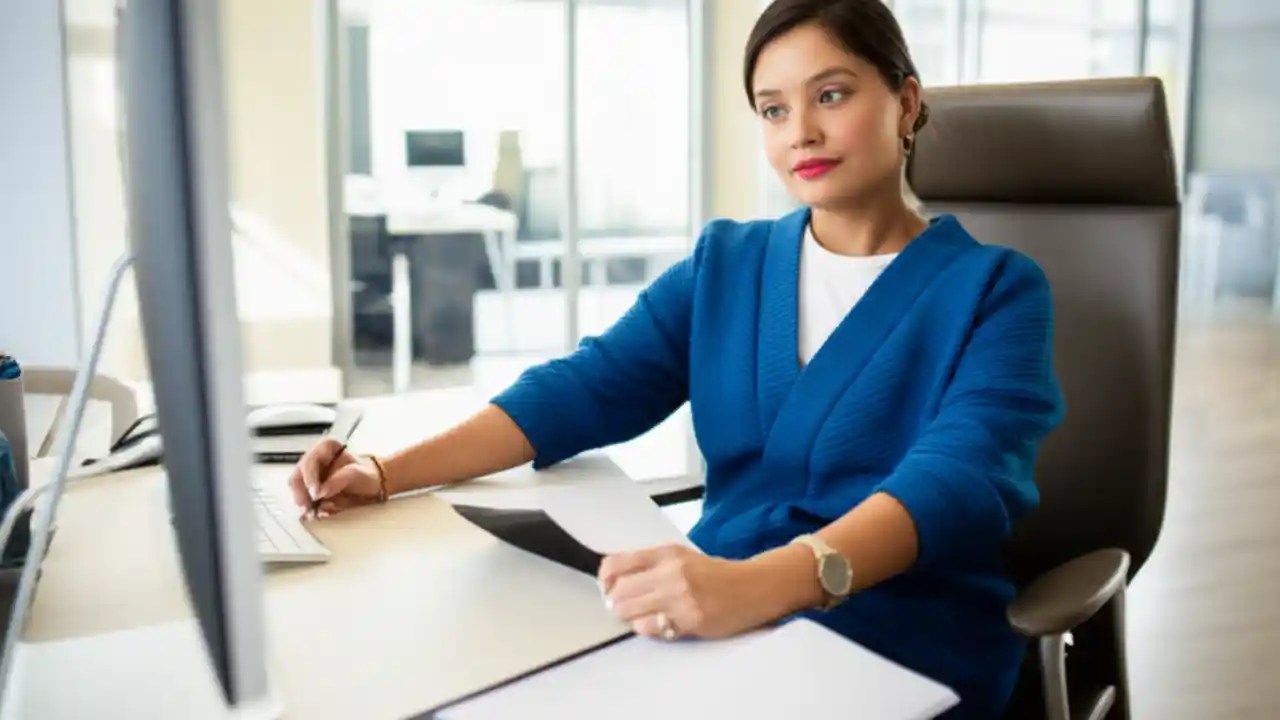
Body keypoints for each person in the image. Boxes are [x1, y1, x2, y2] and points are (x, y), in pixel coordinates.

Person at [290, 1, 1064, 716]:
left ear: (904, 102)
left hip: (898, 636)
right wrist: (386, 473)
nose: (800, 131)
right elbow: (584, 389)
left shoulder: (996, 290)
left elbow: (955, 483)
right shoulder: (727, 262)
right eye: (773, 108)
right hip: (713, 615)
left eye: (831, 95)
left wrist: (759, 587)